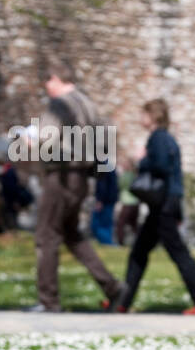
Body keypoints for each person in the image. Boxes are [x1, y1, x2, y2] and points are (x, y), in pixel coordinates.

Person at [28, 58, 125, 313]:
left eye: (48, 81)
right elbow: (104, 142)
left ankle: (48, 300)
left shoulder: (59, 105)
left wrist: (30, 142)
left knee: (46, 236)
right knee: (72, 235)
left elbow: (47, 141)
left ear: (56, 80)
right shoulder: (88, 104)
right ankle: (113, 287)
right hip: (81, 178)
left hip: (59, 177)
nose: (47, 86)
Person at [117, 98, 195, 314]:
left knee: (177, 252)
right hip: (164, 204)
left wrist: (141, 160)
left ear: (152, 116)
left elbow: (161, 167)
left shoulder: (158, 138)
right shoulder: (165, 138)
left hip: (163, 205)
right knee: (139, 252)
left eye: (143, 115)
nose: (140, 119)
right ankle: (121, 301)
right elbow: (174, 176)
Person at [115, 156, 141, 246]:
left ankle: (120, 243)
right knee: (134, 225)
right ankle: (141, 242)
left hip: (127, 203)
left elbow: (120, 185)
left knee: (120, 224)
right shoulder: (136, 175)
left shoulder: (126, 175)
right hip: (136, 203)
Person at [90, 166, 118, 244]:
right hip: (109, 200)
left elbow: (102, 184)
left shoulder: (103, 166)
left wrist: (100, 200)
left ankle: (107, 243)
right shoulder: (109, 166)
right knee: (106, 225)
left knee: (98, 225)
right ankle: (107, 242)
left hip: (105, 201)